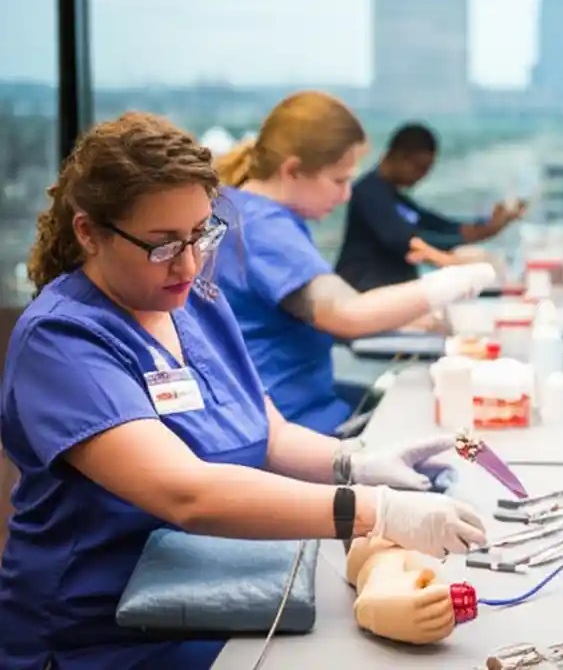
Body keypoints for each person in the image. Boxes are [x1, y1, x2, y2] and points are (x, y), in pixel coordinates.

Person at [0, 112, 489, 669]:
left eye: (201, 235)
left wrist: (355, 464)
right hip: (103, 637)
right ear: (89, 232)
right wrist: (376, 510)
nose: (187, 262)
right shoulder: (63, 341)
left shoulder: (191, 298)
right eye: (162, 245)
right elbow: (188, 494)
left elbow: (267, 429)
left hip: (218, 594)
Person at [212, 94, 494, 435]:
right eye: (339, 180)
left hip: (298, 403)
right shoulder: (264, 229)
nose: (347, 195)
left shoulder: (245, 210)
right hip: (292, 422)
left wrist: (412, 315)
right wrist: (455, 280)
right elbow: (347, 313)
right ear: (292, 170)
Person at [335, 123, 525, 292]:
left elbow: (436, 224)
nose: (422, 176)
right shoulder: (368, 193)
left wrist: (488, 226)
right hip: (362, 293)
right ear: (399, 156)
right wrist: (468, 242)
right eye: (419, 167)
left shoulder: (393, 197)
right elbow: (407, 240)